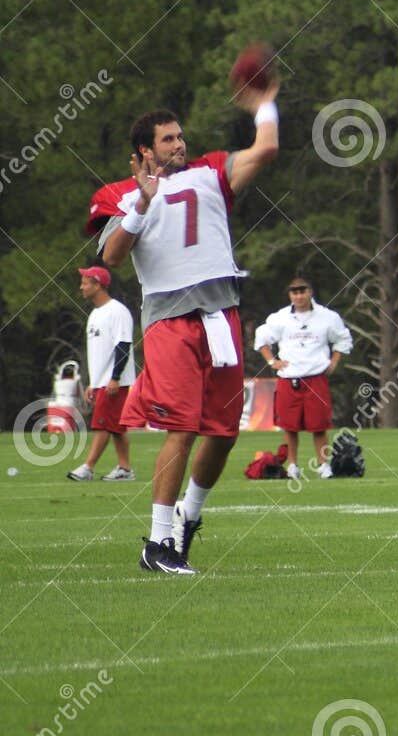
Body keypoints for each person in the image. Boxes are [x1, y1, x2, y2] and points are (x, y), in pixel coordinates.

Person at [90, 80, 280, 575]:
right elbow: (111, 256)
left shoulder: (211, 171)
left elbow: (268, 148)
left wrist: (264, 104)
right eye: (168, 139)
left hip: (221, 314)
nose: (179, 144)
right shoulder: (122, 194)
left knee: (224, 431)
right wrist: (143, 202)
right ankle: (156, 543)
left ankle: (187, 518)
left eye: (180, 136)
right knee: (182, 426)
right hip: (171, 319)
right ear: (144, 151)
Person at [253, 276, 353, 480]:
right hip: (290, 378)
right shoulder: (280, 318)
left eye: (302, 291)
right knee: (290, 427)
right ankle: (292, 465)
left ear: (310, 292)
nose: (299, 295)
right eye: (295, 292)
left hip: (316, 377)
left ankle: (324, 465)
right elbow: (261, 338)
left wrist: (334, 361)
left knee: (319, 426)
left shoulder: (327, 316)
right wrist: (272, 362)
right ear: (290, 295)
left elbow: (343, 338)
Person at [66, 265, 137, 482]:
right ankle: (125, 469)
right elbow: (99, 352)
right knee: (115, 426)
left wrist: (115, 378)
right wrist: (92, 383)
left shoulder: (117, 311)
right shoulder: (95, 314)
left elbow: (123, 345)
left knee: (103, 424)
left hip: (114, 380)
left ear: (98, 285)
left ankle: (88, 467)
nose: (81, 287)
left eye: (86, 283)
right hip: (101, 382)